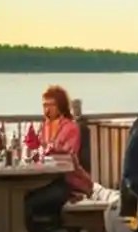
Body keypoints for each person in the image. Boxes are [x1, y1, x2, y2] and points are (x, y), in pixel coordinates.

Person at [27, 86, 95, 220]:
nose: (47, 109)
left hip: (68, 182)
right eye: (45, 105)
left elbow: (68, 157)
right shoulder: (45, 126)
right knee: (23, 196)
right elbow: (40, 149)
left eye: (51, 105)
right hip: (47, 179)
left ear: (61, 106)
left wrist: (51, 150)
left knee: (30, 202)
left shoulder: (71, 127)